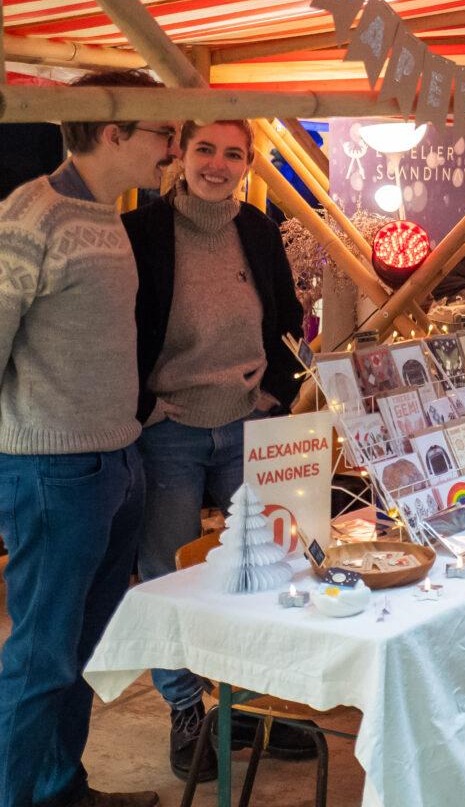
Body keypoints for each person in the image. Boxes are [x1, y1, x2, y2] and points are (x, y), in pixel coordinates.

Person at [0, 69, 176, 807]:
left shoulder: (107, 212)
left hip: (116, 458)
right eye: (163, 133)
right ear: (113, 132)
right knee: (40, 658)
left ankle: (60, 788)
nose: (172, 147)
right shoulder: (29, 215)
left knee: (81, 651)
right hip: (52, 469)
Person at [122, 119, 313, 782]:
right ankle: (184, 707)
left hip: (245, 428)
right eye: (206, 148)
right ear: (181, 154)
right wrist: (142, 405)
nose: (218, 163)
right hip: (169, 430)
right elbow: (119, 323)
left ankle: (249, 700)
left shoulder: (257, 228)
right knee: (170, 574)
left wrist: (278, 391)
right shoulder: (144, 231)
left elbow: (288, 318)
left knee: (257, 570)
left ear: (248, 163)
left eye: (234, 152)